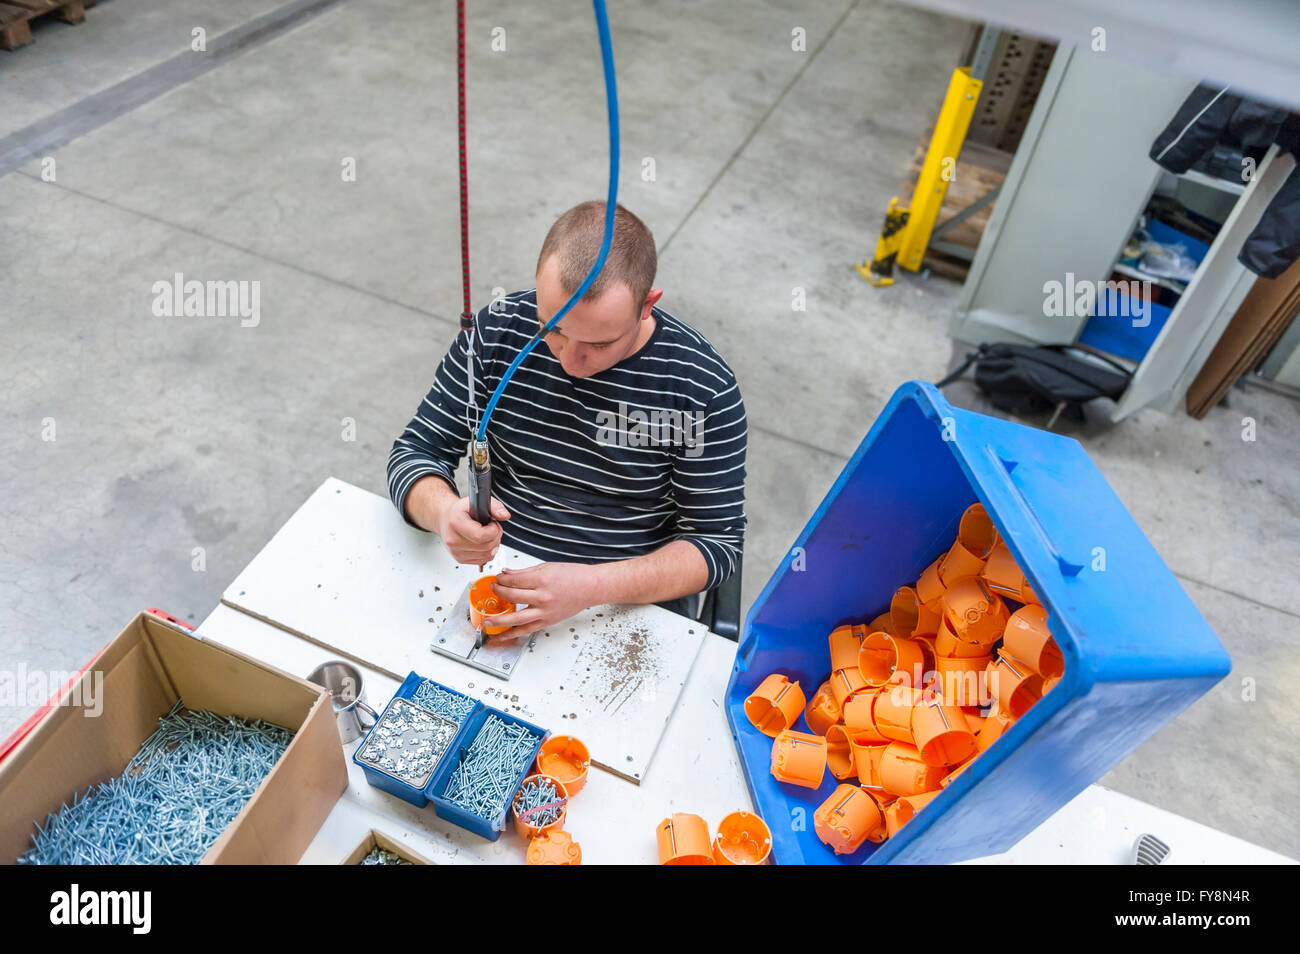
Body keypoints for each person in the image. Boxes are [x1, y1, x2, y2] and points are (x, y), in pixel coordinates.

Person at [387, 201, 746, 639]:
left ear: (647, 305)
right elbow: (416, 452)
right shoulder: (498, 332)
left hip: (623, 604)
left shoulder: (699, 387)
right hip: (498, 572)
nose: (571, 362)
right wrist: (443, 513)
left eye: (598, 343)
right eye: (552, 329)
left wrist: (593, 586)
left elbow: (717, 543)